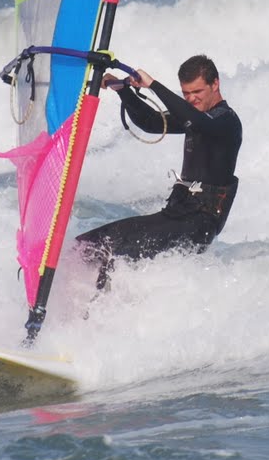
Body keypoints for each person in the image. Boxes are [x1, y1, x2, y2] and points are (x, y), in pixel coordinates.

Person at [76, 54, 242, 289]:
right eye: (186, 93)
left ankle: (96, 314)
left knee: (117, 256)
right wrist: (122, 91)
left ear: (215, 84)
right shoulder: (196, 117)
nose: (191, 99)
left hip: (200, 223)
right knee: (90, 244)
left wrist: (153, 85)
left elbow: (196, 122)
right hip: (175, 215)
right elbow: (151, 122)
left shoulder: (226, 121)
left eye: (197, 92)